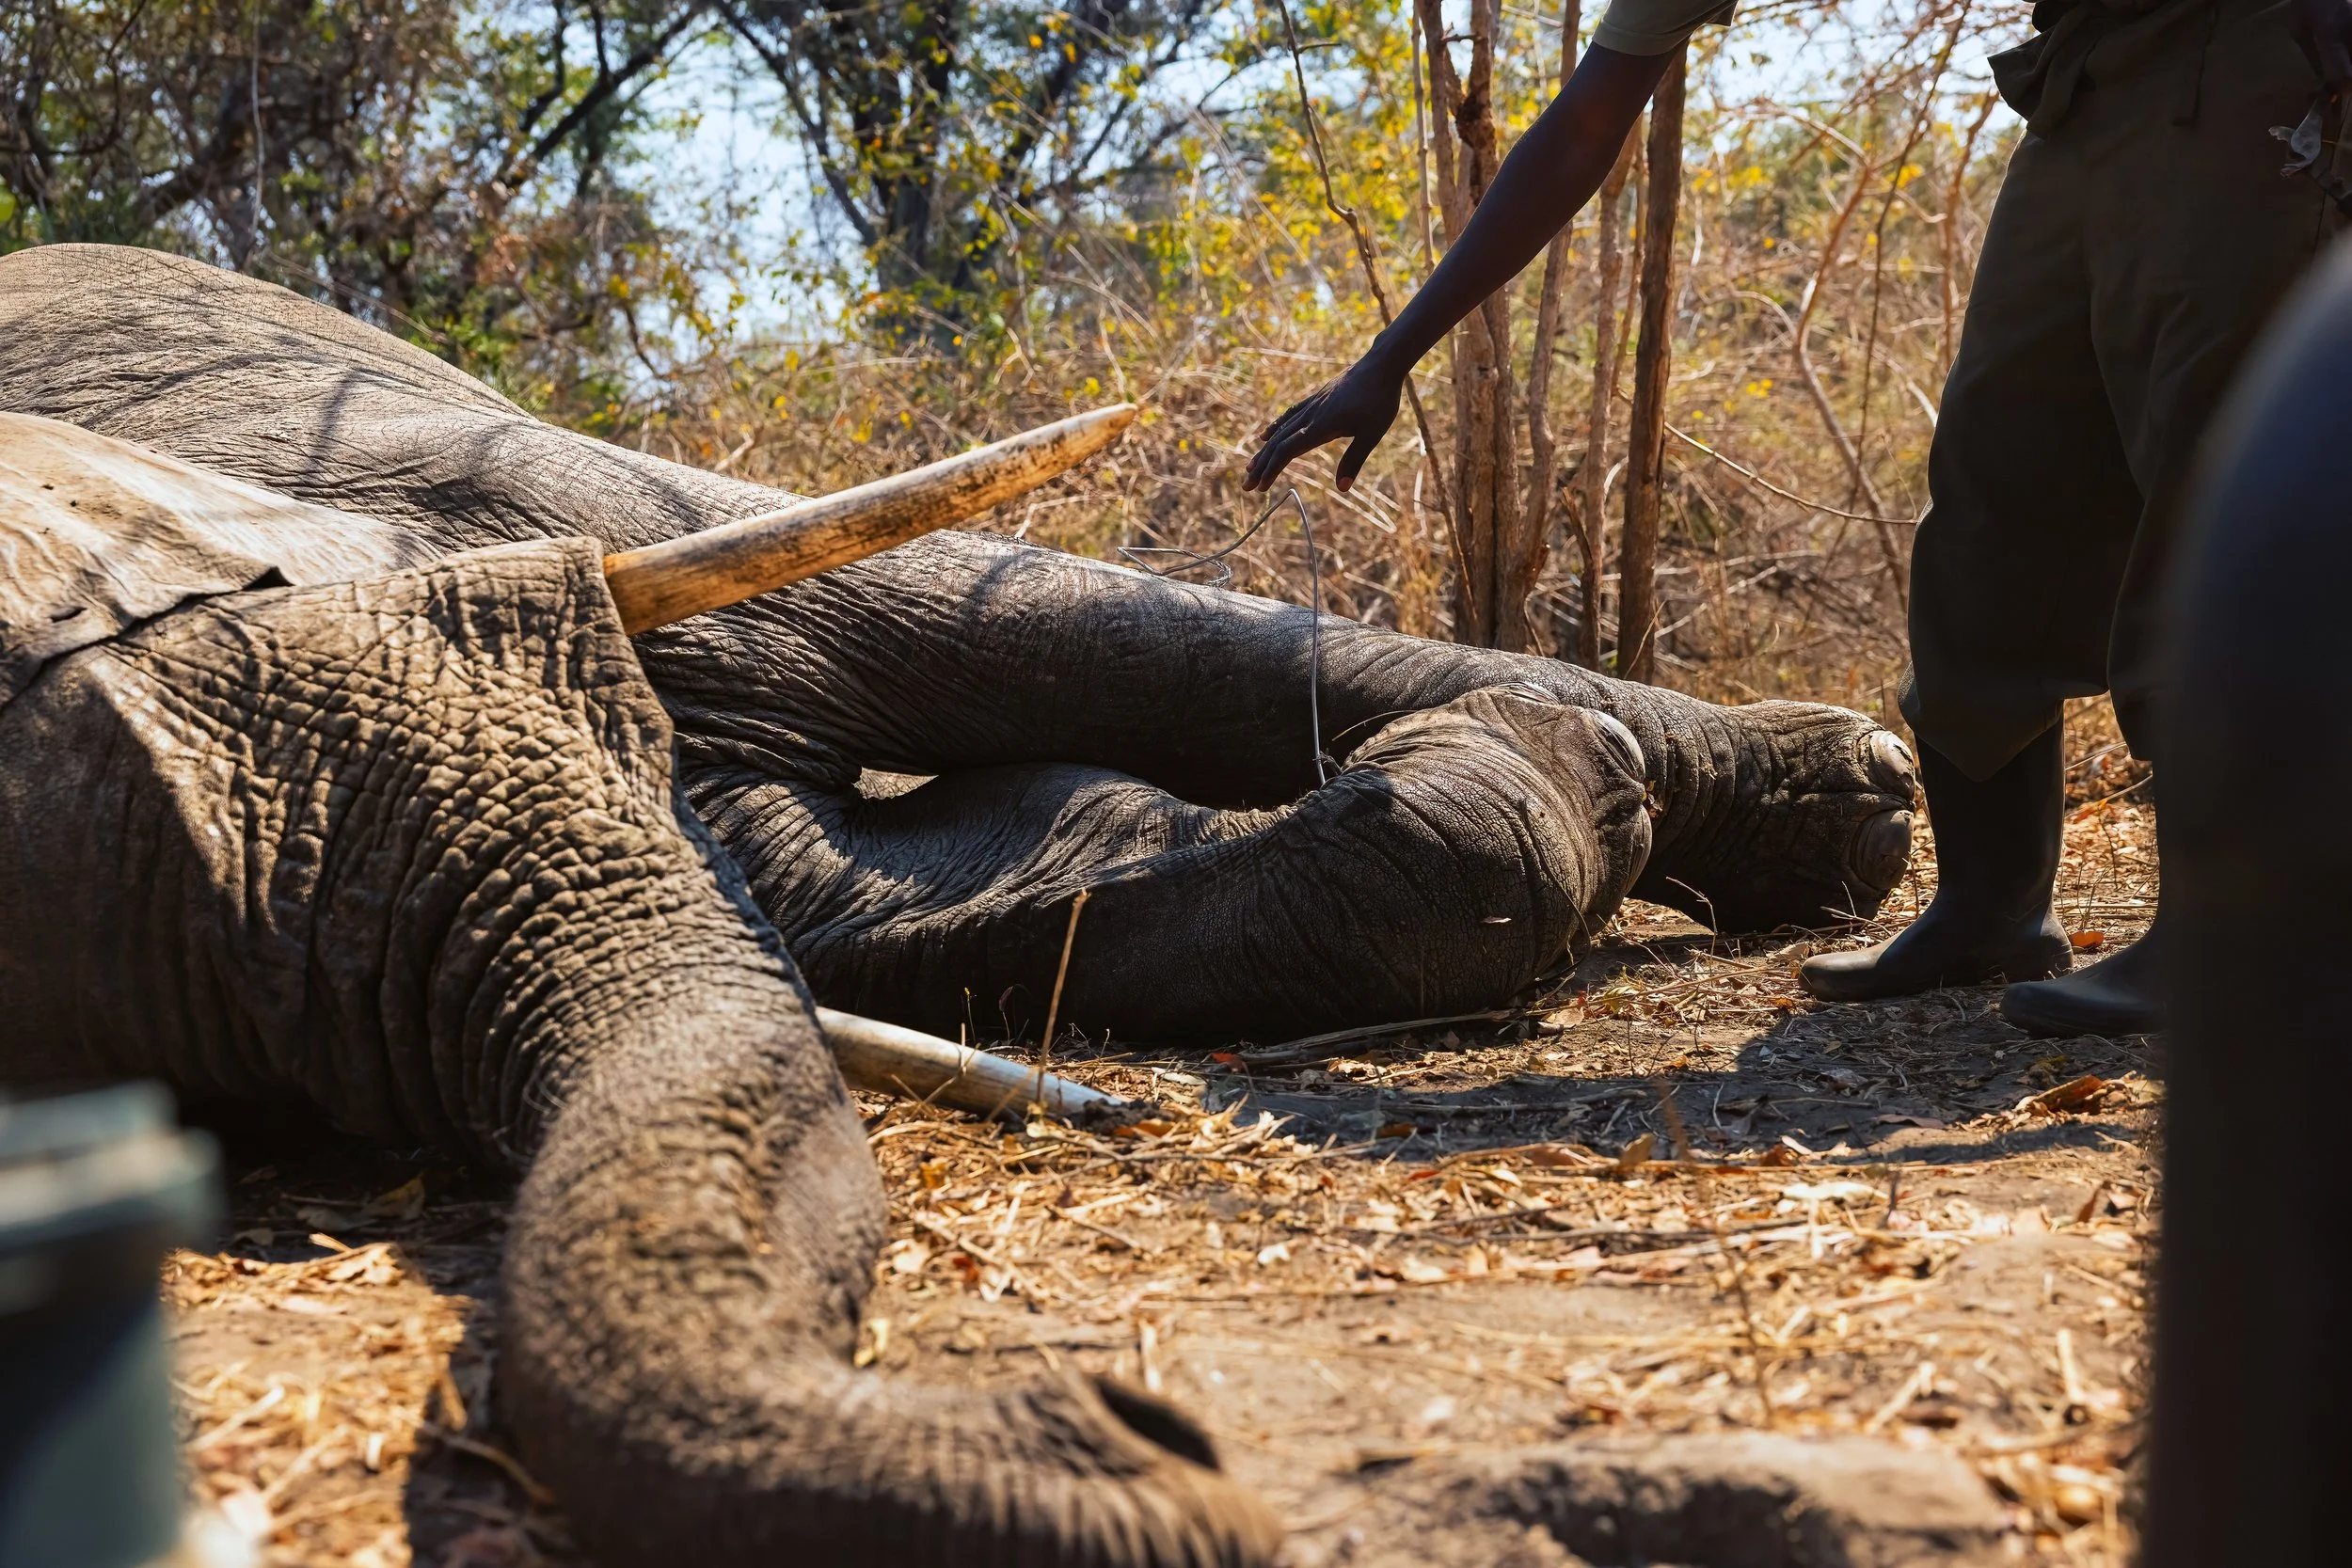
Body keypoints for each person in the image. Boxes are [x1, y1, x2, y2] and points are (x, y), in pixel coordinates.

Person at [1246, 0, 2350, 1036]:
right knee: (1994, 494)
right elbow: (1590, 116)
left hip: (2261, 61)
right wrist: (1391, 356)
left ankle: (2239, 933)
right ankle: (1991, 909)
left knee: (2216, 498)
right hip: (2083, 87)